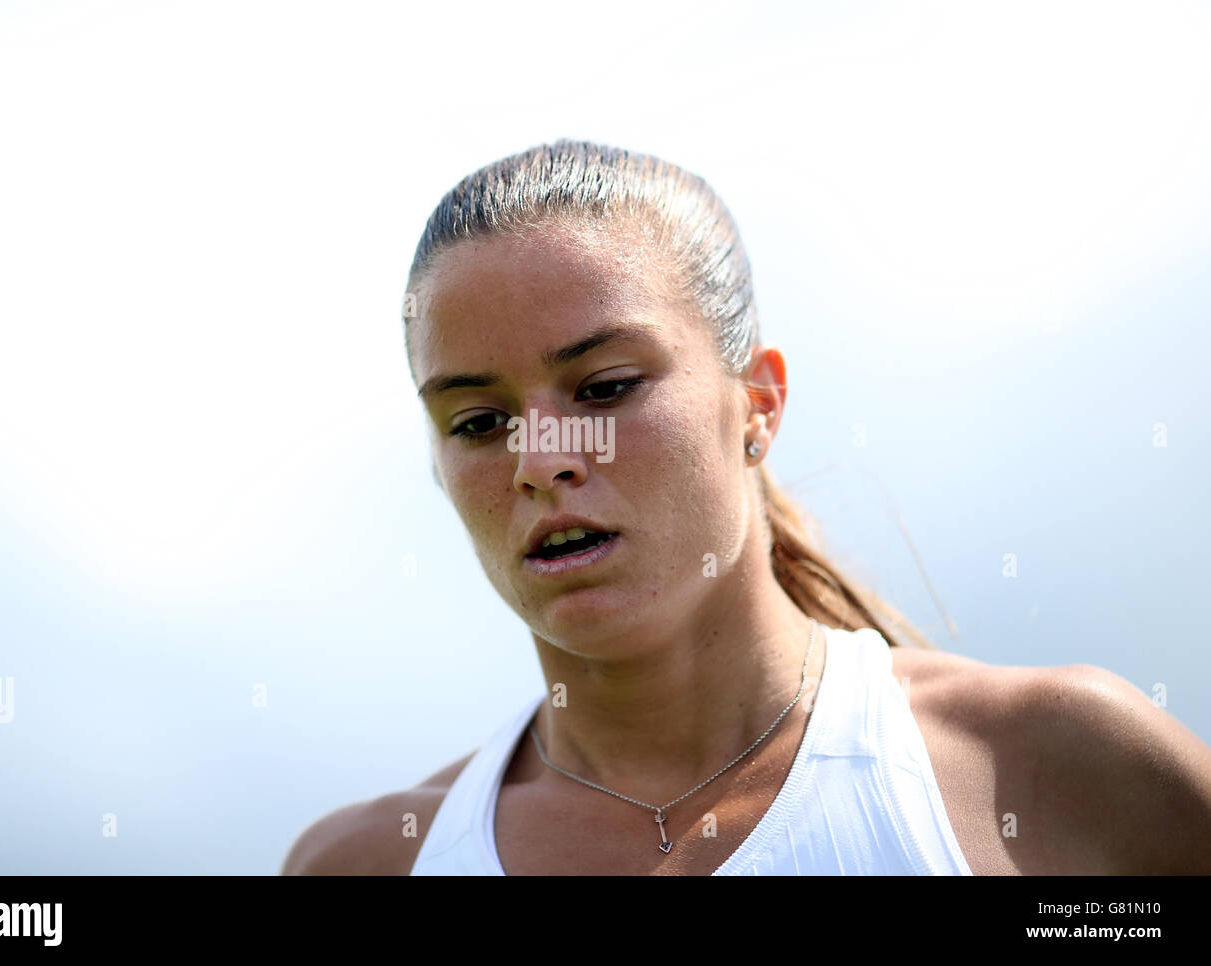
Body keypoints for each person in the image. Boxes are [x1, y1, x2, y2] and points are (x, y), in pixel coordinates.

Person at [282, 139, 1211, 875]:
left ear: (758, 402)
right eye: (479, 420)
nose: (543, 462)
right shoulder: (366, 863)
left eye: (604, 388)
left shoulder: (1052, 768)